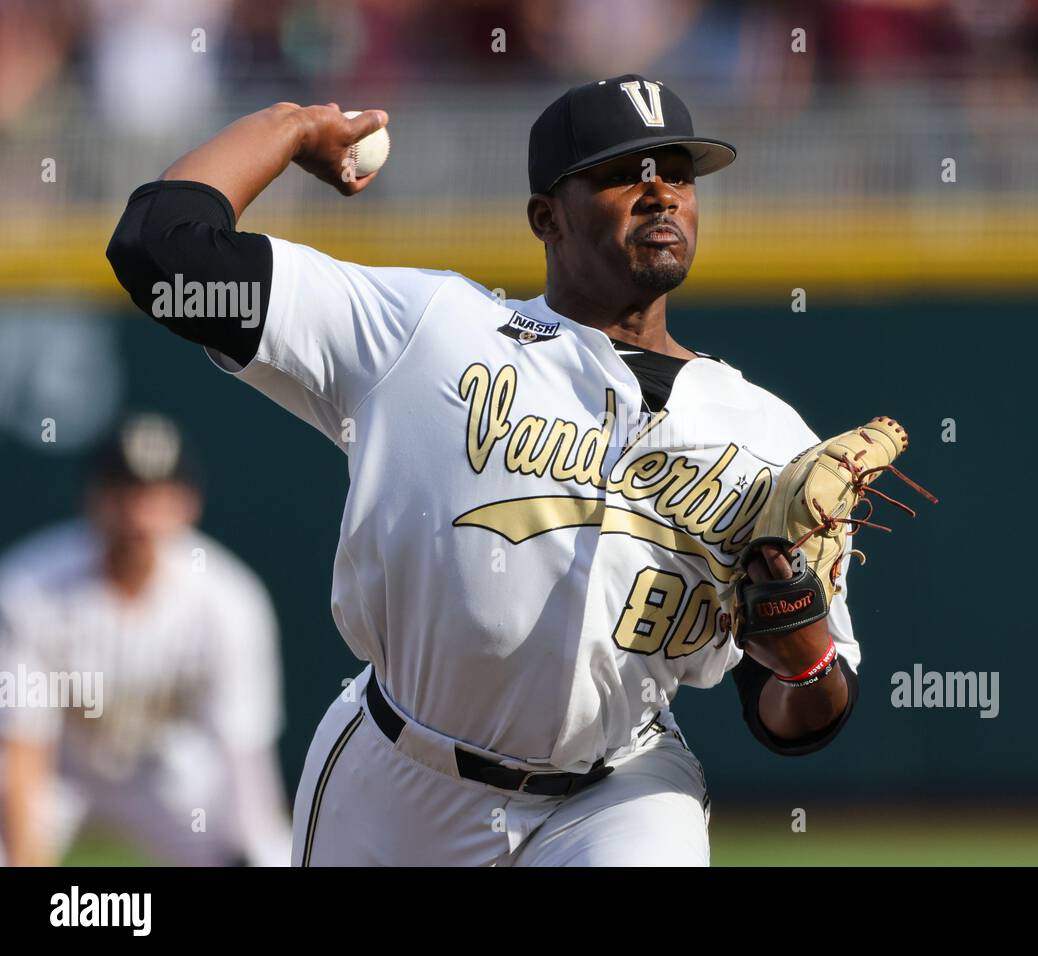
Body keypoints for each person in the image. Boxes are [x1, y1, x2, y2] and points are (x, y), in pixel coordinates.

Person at [103, 76, 867, 866]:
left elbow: (798, 718)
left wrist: (803, 657)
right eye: (622, 173)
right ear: (547, 218)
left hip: (620, 790)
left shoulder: (770, 437)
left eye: (676, 172)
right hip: (399, 779)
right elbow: (159, 248)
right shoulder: (428, 330)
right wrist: (290, 126)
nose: (659, 195)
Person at [0, 414, 292, 866]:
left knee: (268, 854)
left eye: (157, 496)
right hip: (64, 774)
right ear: (93, 499)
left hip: (168, 779)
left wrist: (258, 848)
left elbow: (244, 754)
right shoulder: (30, 589)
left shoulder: (229, 600)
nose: (138, 515)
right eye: (124, 493)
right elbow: (21, 747)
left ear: (188, 504)